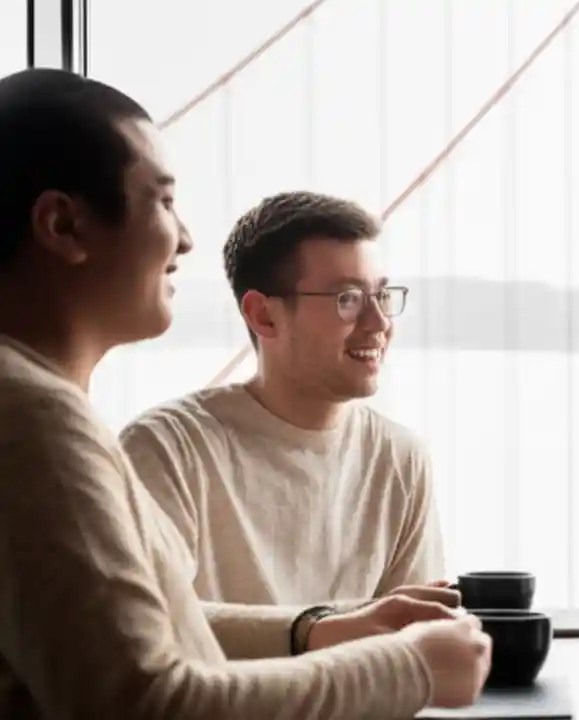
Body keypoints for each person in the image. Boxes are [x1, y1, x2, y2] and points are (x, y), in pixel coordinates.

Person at [0, 68, 489, 718]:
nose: (185, 237)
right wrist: (410, 667)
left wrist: (319, 628)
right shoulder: (36, 422)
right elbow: (145, 702)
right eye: (163, 200)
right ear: (63, 225)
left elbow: (156, 637)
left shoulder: (39, 409)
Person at [120, 190, 452, 609]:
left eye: (382, 295)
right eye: (347, 298)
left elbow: (413, 637)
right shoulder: (167, 449)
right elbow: (150, 628)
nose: (379, 323)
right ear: (263, 315)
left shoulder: (400, 459)